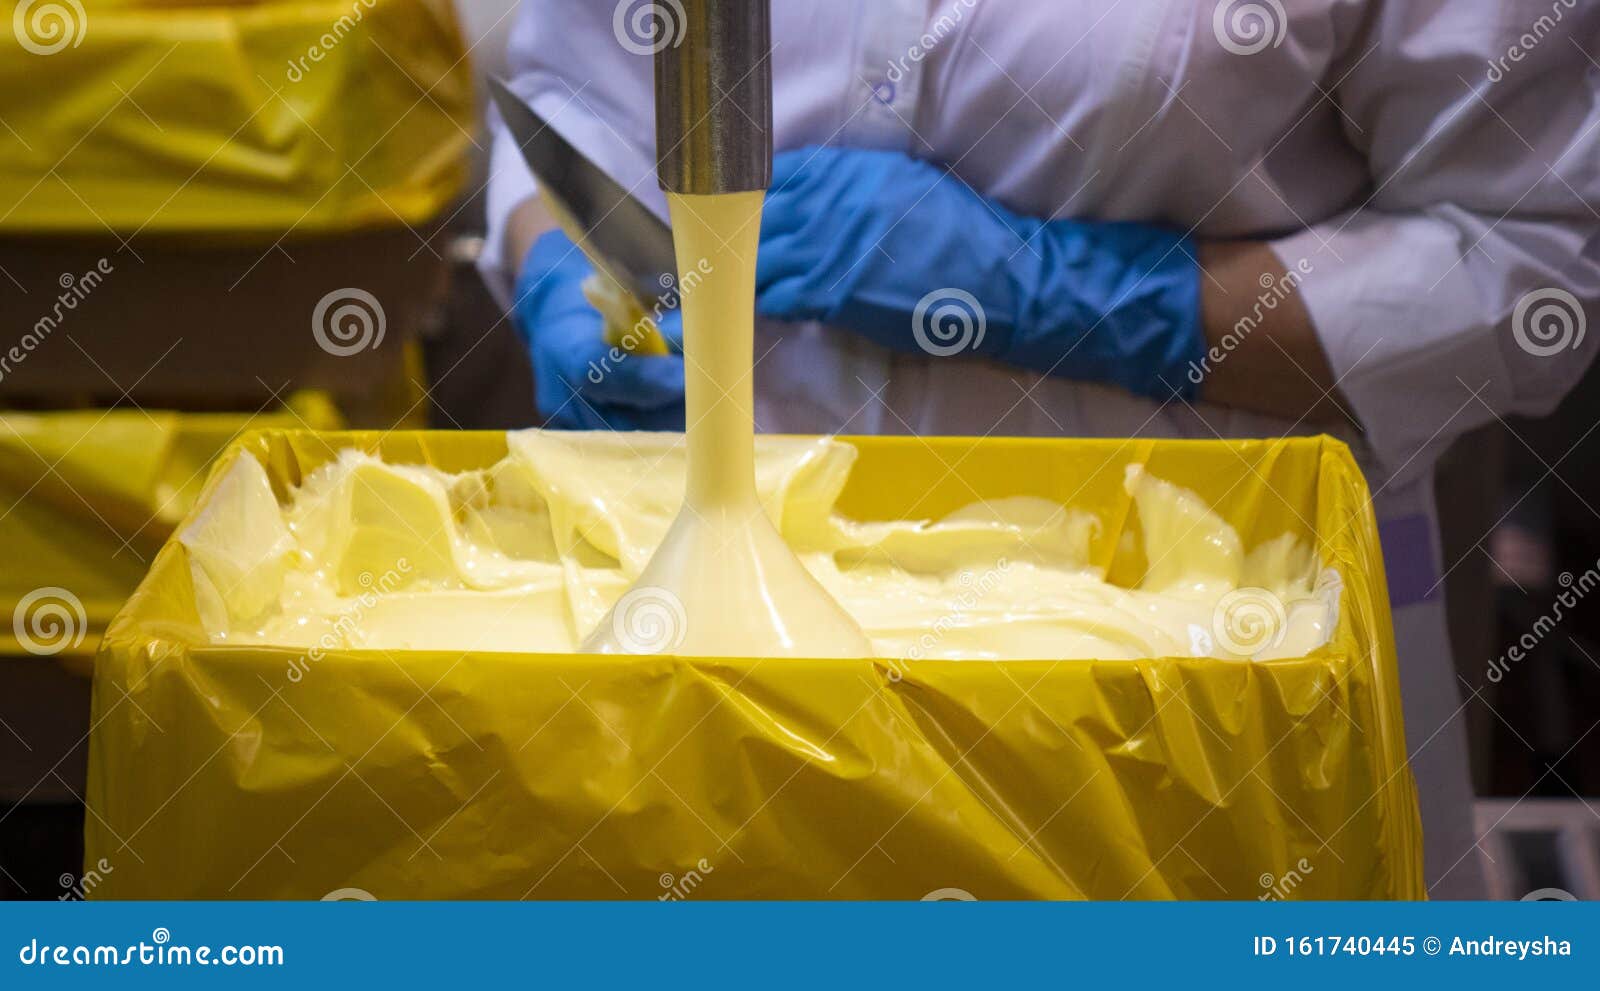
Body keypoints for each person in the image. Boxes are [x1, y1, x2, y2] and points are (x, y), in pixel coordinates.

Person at [482, 0, 1600, 898]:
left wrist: (1089, 296)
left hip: (1202, 674)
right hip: (737, 657)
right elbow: (571, 100)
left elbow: (1535, 265)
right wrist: (563, 267)